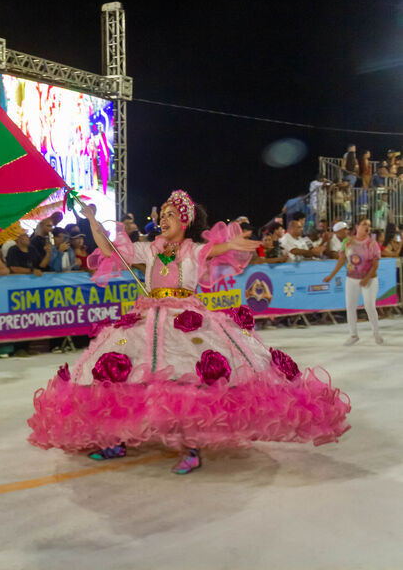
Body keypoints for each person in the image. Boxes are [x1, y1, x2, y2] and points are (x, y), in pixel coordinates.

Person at [28, 190, 351, 475]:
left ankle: (190, 448)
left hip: (185, 319)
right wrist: (91, 221)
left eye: (171, 214)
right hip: (148, 318)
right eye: (162, 214)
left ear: (184, 222)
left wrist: (231, 243)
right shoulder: (150, 249)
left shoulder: (192, 251)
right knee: (125, 376)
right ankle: (119, 439)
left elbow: (216, 249)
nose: (163, 218)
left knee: (185, 380)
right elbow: (111, 250)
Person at [323, 217, 383, 345]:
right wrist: (331, 276)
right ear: (357, 226)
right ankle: (353, 334)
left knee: (370, 306)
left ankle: (376, 332)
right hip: (352, 278)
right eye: (364, 224)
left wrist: (366, 278)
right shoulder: (347, 242)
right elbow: (341, 260)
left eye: (369, 225)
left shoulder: (372, 243)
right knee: (350, 306)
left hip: (370, 279)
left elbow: (375, 264)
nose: (367, 227)